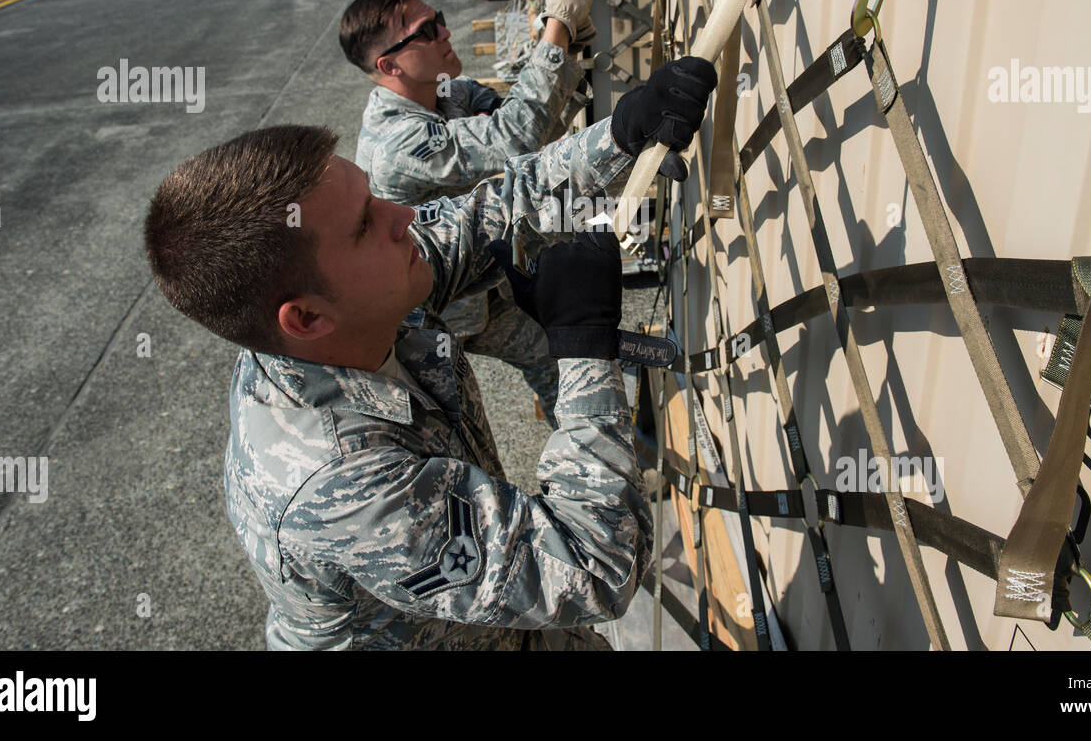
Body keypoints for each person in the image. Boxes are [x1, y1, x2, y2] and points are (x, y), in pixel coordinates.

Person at [143, 57, 718, 650]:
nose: (405, 216)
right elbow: (596, 565)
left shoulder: (354, 307)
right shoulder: (342, 488)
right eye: (367, 223)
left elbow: (480, 219)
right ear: (308, 317)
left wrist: (621, 136)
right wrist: (583, 348)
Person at [341, 0, 595, 428]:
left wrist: (565, 45)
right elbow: (514, 137)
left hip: (485, 280)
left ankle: (587, 446)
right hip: (436, 316)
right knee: (449, 432)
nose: (445, 32)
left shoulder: (448, 93)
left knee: (556, 358)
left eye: (438, 18)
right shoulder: (399, 142)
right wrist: (557, 22)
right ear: (389, 65)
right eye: (427, 30)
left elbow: (527, 126)